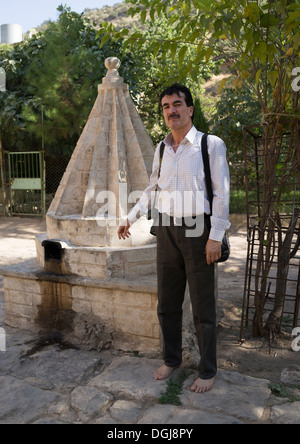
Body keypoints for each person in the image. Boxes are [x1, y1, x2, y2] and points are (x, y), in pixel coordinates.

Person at [118, 84, 230, 393]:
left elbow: (221, 193)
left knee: (202, 306)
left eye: (177, 104)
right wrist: (131, 217)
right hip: (166, 229)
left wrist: (215, 237)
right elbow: (153, 189)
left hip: (199, 231)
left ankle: (207, 371)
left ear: (190, 109)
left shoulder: (211, 145)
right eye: (166, 106)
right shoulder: (161, 148)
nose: (172, 110)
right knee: (167, 302)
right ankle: (171, 359)